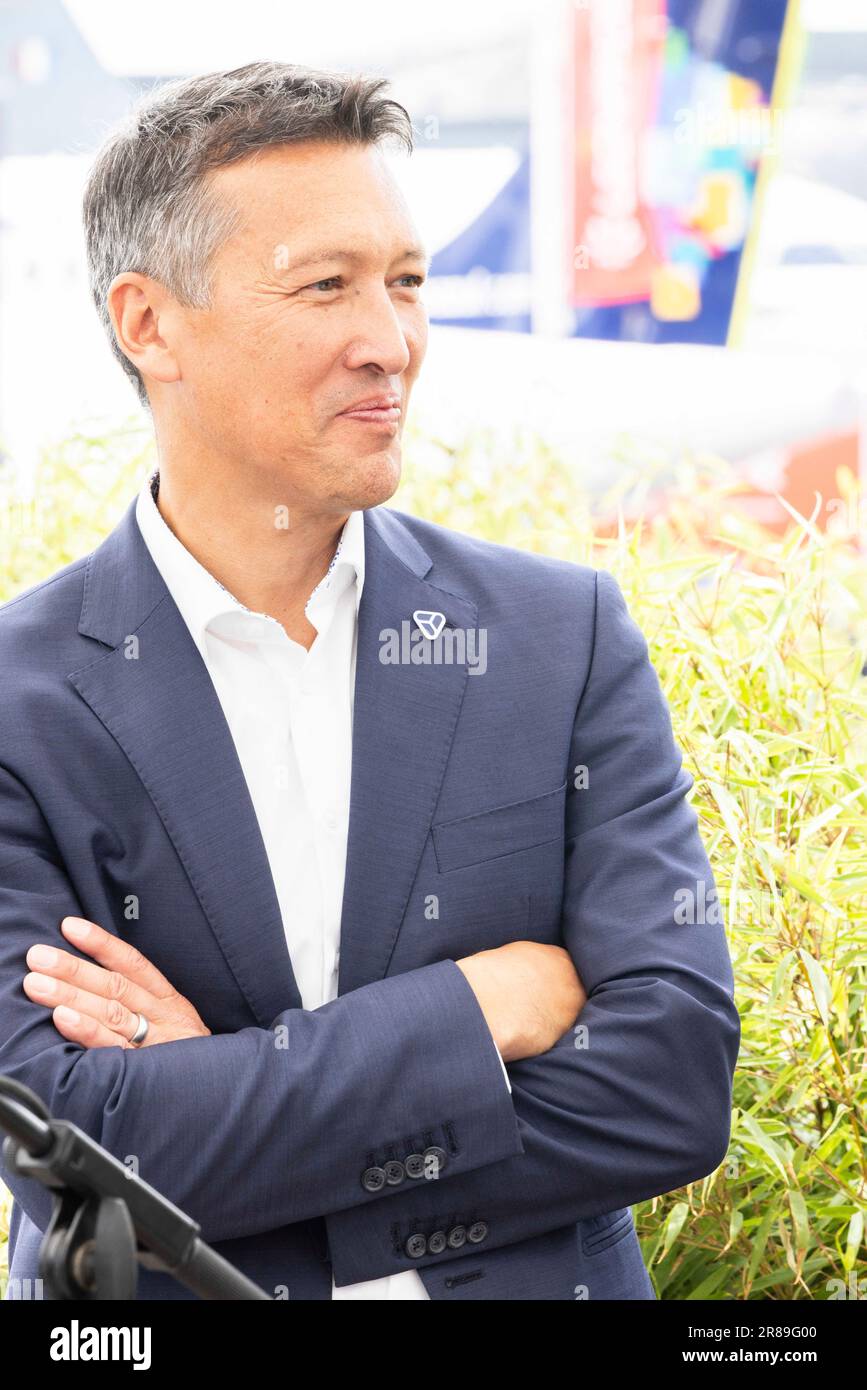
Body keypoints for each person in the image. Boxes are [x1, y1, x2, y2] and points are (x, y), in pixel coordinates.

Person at [0, 61, 739, 1301]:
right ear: (148, 323)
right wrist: (474, 1008)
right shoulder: (21, 701)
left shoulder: (560, 638)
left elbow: (669, 1084)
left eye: (406, 282)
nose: (389, 340)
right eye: (325, 286)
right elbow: (66, 1145)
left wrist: (231, 1098)